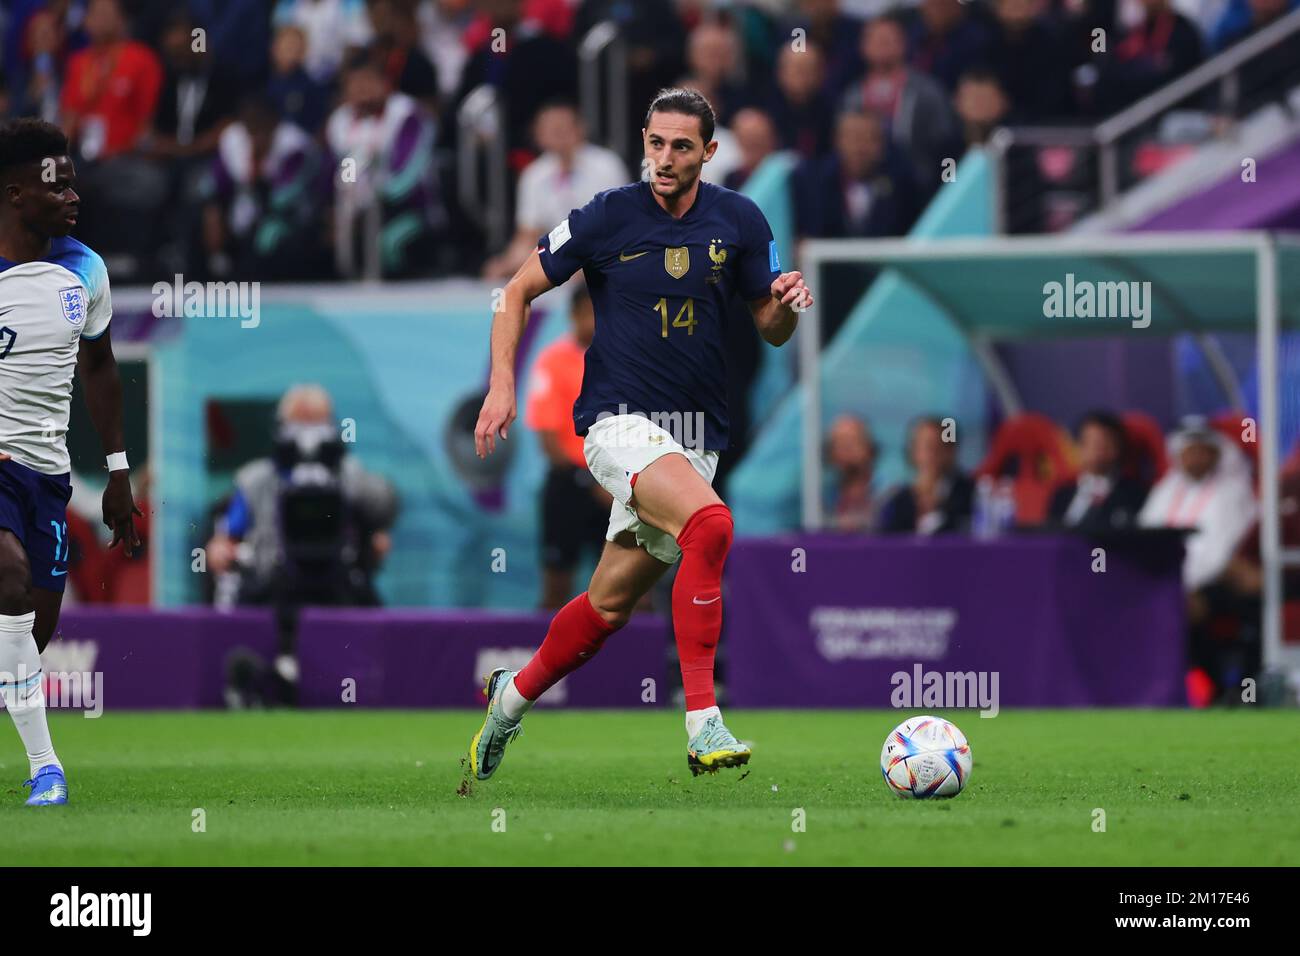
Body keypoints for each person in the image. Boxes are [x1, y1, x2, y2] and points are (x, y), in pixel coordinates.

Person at [469, 88, 812, 780]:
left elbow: (771, 331)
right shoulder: (607, 216)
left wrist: (784, 306)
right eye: (655, 142)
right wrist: (502, 383)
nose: (664, 157)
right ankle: (703, 723)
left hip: (696, 439)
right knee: (712, 527)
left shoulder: (740, 220)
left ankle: (510, 699)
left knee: (608, 606)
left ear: (708, 154)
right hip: (619, 424)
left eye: (681, 146)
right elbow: (514, 292)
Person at [0, 118, 142, 806]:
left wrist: (118, 472)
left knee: (34, 626)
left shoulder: (84, 268)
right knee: (9, 580)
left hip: (45, 476)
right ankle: (47, 769)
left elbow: (102, 369)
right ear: (17, 192)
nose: (73, 194)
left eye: (74, 180)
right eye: (58, 184)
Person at [524, 286, 613, 608]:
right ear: (573, 315)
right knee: (557, 588)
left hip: (615, 489)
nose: (595, 320)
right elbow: (549, 443)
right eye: (588, 312)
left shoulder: (622, 362)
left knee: (628, 588)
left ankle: (633, 657)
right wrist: (590, 483)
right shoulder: (551, 362)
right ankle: (545, 657)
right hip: (570, 488)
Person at [481, 101, 627, 281]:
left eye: (563, 128)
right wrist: (506, 264)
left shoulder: (607, 165)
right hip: (558, 264)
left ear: (580, 129)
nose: (559, 135)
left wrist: (587, 265)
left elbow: (621, 226)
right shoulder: (533, 175)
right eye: (552, 129)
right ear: (539, 135)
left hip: (607, 258)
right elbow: (528, 236)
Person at [1048, 410, 1149, 532]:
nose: (1097, 450)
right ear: (1078, 448)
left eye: (1104, 443)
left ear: (1118, 448)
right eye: (1090, 443)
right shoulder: (1062, 494)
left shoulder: (1135, 494)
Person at [877, 416, 974, 534]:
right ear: (912, 451)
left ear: (951, 450)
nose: (931, 454)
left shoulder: (968, 493)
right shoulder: (899, 499)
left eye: (937, 446)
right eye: (924, 446)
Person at [827, 414, 879, 532]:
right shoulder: (824, 496)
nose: (846, 449)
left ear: (869, 447)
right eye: (839, 443)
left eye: (852, 441)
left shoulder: (889, 495)